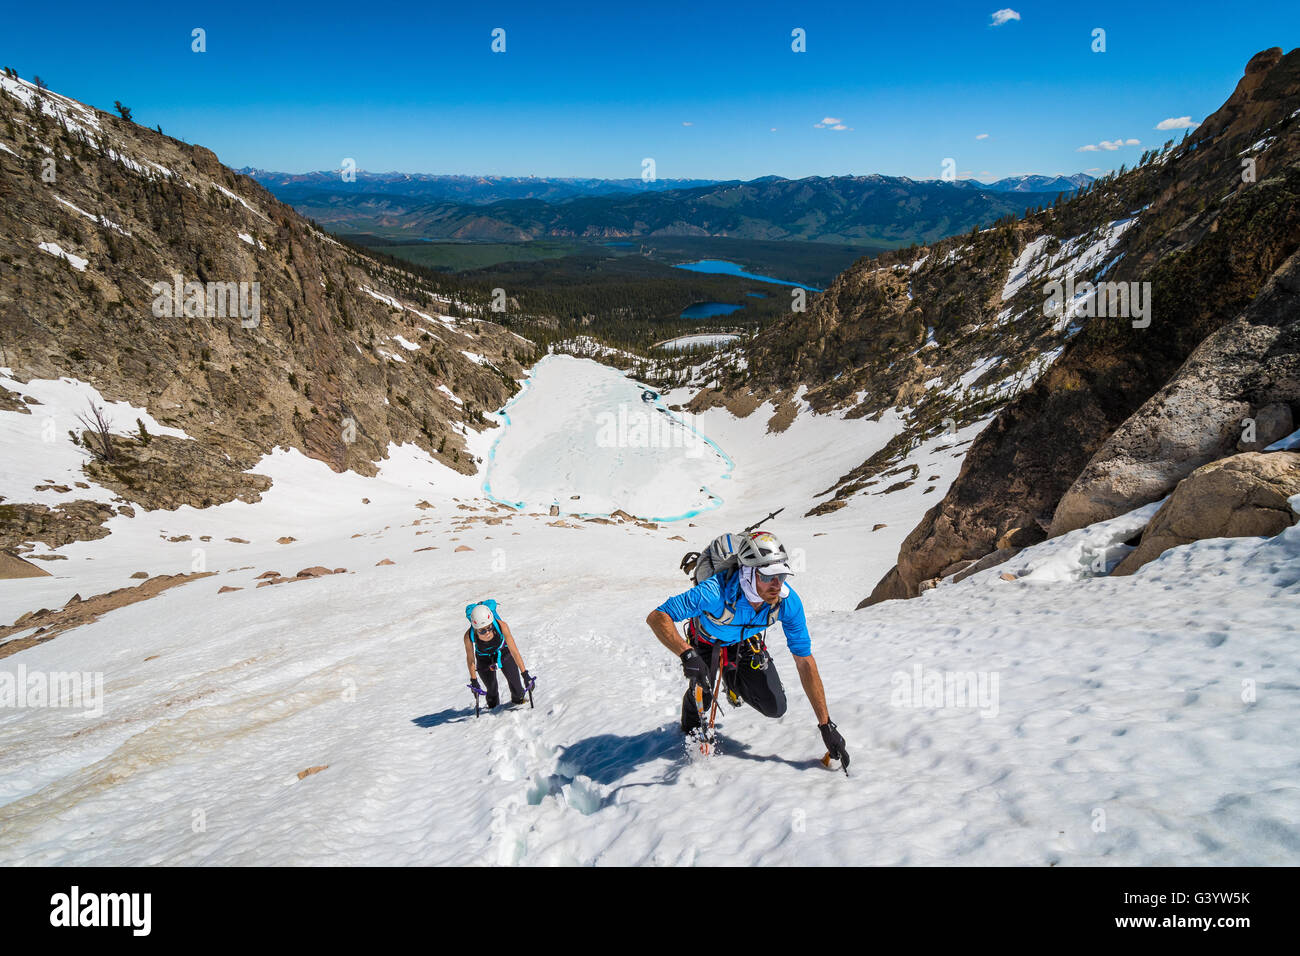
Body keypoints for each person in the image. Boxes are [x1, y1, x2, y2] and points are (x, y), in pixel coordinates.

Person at [645, 531, 849, 767]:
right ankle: (694, 706)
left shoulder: (787, 601)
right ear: (748, 572)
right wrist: (686, 653)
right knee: (702, 699)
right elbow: (658, 616)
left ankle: (732, 681)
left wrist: (826, 725)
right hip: (706, 642)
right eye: (768, 576)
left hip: (745, 644)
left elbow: (804, 661)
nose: (777, 585)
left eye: (781, 575)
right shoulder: (714, 592)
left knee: (775, 707)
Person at [464, 600, 534, 708]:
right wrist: (474, 681)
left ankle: (518, 702)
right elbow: (471, 660)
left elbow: (514, 652)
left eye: (489, 628)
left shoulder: (502, 626)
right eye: (482, 631)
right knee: (491, 691)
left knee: (518, 690)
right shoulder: (469, 636)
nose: (487, 632)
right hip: (483, 658)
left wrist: (525, 674)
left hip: (503, 652)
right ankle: (493, 713)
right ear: (475, 629)